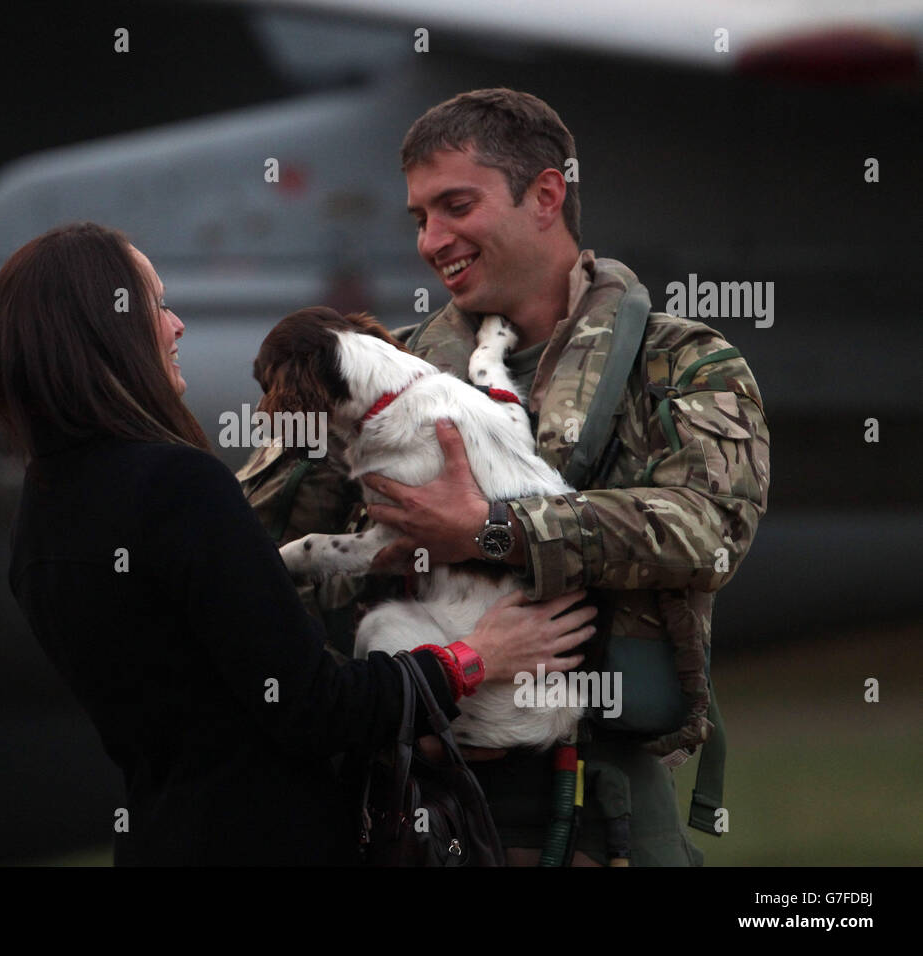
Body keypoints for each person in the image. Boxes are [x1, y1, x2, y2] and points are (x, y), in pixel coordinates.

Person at [239, 89, 770, 866]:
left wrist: (494, 529)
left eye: (456, 206)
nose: (432, 239)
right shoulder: (378, 375)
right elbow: (251, 547)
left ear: (547, 194)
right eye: (419, 217)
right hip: (424, 800)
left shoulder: (681, 364)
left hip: (606, 809)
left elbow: (711, 530)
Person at [0, 220, 598, 866]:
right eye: (155, 304)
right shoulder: (179, 489)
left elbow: (217, 712)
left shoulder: (37, 525)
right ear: (104, 331)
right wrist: (473, 658)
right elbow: (317, 706)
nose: (176, 324)